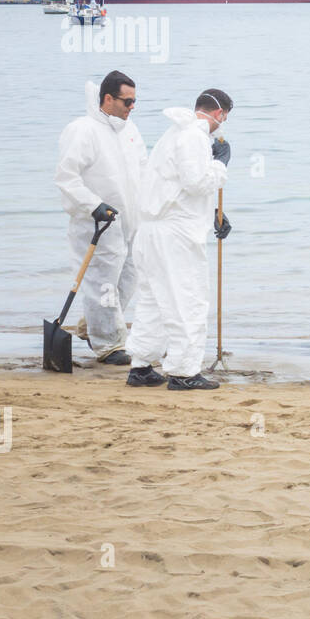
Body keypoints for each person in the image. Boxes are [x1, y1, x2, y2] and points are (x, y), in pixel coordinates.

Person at [123, 90, 234, 390]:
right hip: (174, 235)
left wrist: (214, 213)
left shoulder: (173, 134)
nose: (222, 125)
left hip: (152, 229)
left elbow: (175, 186)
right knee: (188, 299)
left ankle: (141, 366)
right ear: (220, 114)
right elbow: (197, 182)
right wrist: (221, 164)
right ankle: (184, 372)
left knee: (153, 300)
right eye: (225, 119)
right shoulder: (194, 137)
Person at [54, 71, 147, 365]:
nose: (132, 107)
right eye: (127, 101)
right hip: (97, 223)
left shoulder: (130, 131)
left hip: (131, 221)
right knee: (102, 283)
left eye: (134, 101)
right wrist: (93, 205)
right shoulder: (82, 130)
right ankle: (108, 345)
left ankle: (90, 325)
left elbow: (144, 171)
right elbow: (66, 177)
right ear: (108, 99)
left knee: (129, 278)